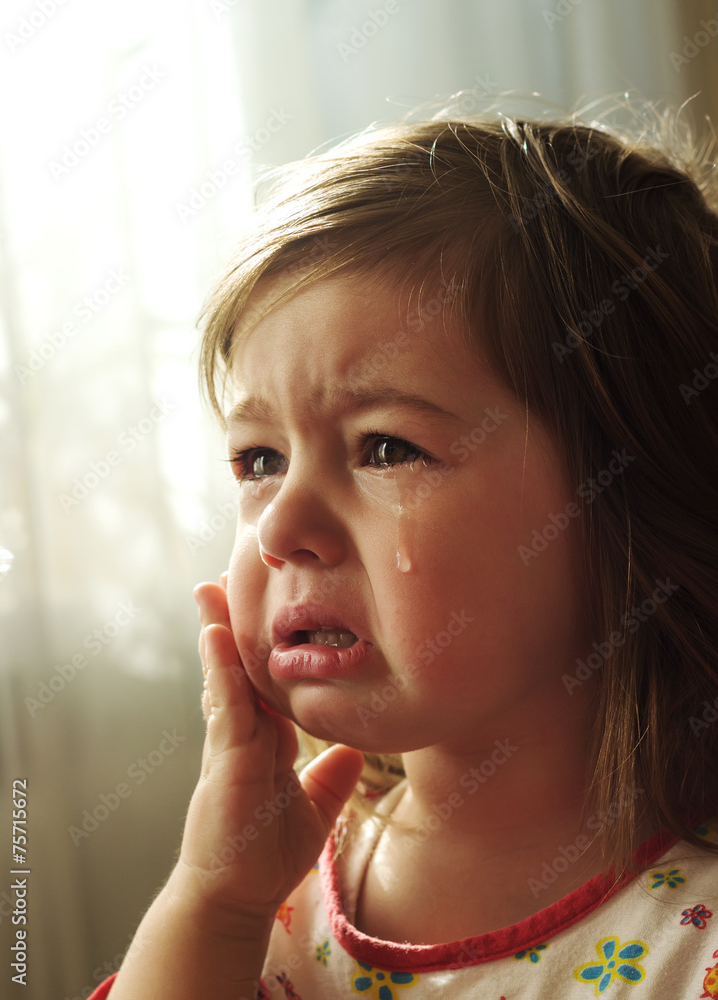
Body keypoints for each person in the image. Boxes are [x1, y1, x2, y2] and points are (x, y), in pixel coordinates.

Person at [89, 107, 718, 999]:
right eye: (258, 460)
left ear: (626, 498)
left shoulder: (693, 943)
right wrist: (214, 902)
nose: (277, 528)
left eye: (385, 448)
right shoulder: (256, 908)